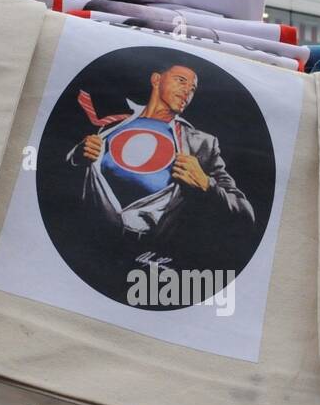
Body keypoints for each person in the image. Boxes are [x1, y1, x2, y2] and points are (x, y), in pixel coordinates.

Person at [68, 62, 255, 267]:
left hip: (150, 260)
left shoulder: (201, 144)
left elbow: (244, 214)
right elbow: (56, 175)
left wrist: (205, 184)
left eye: (193, 89)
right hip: (87, 247)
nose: (187, 92)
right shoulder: (110, 125)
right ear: (156, 79)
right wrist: (77, 156)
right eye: (181, 81)